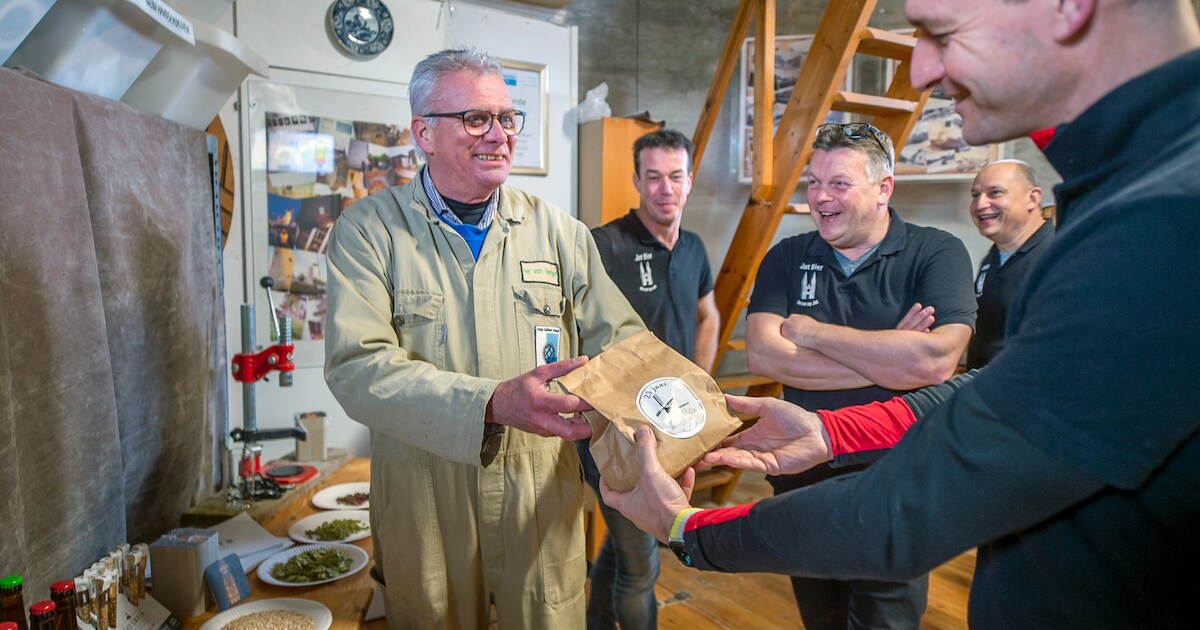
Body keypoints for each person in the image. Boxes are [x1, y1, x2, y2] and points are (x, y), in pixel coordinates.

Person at [600, 0, 1200, 627]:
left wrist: (688, 527)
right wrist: (835, 429)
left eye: (941, 32)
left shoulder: (1163, 223)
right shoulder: (1136, 191)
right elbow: (993, 395)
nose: (920, 71)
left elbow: (908, 504)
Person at [323, 47, 644, 629]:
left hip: (538, 494)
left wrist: (684, 420)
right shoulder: (369, 232)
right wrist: (492, 403)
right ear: (423, 131)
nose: (498, 134)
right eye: (476, 118)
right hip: (424, 500)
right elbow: (356, 367)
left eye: (506, 117)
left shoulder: (559, 234)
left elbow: (623, 344)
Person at [744, 120, 976, 629]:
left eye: (839, 183)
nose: (820, 198)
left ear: (884, 188)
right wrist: (889, 350)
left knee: (885, 620)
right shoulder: (787, 257)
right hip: (802, 480)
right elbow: (764, 356)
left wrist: (811, 332)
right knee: (821, 618)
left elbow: (934, 361)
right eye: (814, 182)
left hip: (896, 480)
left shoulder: (937, 252)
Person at [577, 128, 719, 629]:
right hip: (620, 439)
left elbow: (709, 316)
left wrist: (702, 387)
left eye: (676, 176)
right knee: (643, 568)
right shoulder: (604, 245)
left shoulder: (696, 247)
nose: (666, 188)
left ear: (689, 180)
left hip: (673, 430)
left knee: (622, 551)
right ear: (636, 180)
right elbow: (579, 339)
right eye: (653, 177)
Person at [965, 159, 1054, 369]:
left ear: (1032, 198)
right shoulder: (994, 256)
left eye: (995, 193)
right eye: (975, 195)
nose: (980, 204)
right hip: (984, 391)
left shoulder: (1057, 255)